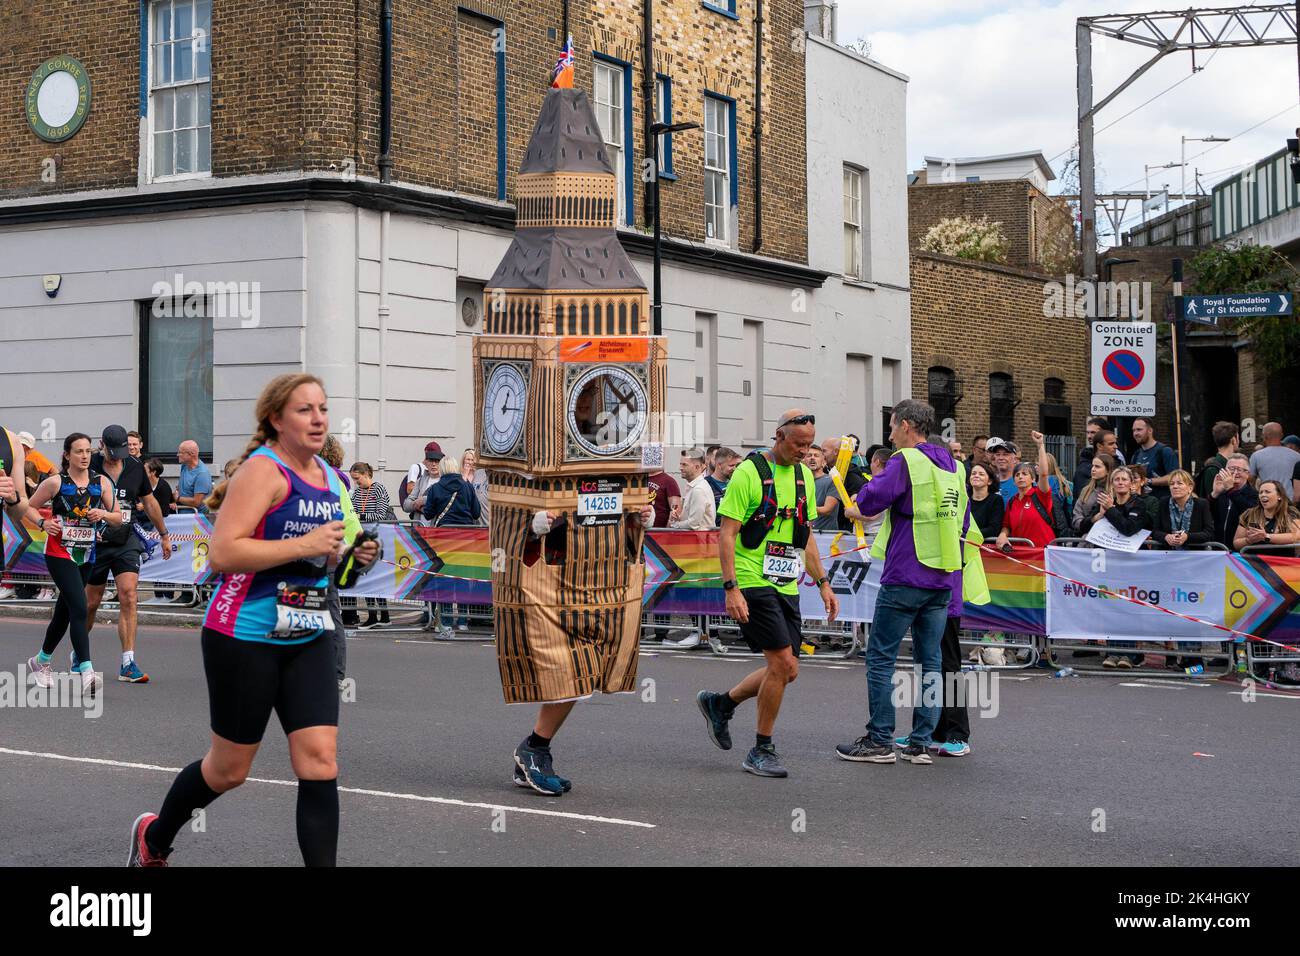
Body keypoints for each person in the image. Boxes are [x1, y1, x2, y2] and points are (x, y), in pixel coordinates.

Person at [127, 373, 378, 867]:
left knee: (320, 760)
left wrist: (352, 556)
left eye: (323, 408)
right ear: (276, 420)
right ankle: (154, 838)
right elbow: (221, 553)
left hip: (307, 632)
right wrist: (307, 545)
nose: (319, 418)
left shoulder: (330, 479)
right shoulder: (262, 473)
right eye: (305, 409)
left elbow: (331, 564)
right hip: (243, 634)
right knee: (228, 769)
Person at [695, 409, 838, 778]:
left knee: (788, 670)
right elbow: (726, 534)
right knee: (782, 664)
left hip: (785, 581)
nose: (805, 452)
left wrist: (823, 583)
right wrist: (732, 589)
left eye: (810, 445)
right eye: (798, 444)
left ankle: (721, 704)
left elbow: (803, 536)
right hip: (751, 578)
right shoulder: (749, 473)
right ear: (778, 436)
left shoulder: (805, 476)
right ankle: (761, 749)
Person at [834, 399, 978, 766]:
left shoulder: (906, 461)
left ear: (908, 426)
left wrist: (853, 508)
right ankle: (920, 741)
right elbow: (961, 522)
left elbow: (869, 500)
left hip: (907, 572)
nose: (889, 433)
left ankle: (879, 740)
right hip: (943, 575)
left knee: (881, 658)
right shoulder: (957, 467)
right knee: (929, 661)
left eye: (893, 425)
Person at [23, 434, 124, 696]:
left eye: (88, 451)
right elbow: (27, 508)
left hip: (86, 554)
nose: (84, 456)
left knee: (65, 611)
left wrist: (103, 514)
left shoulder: (101, 482)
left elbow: (118, 518)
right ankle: (87, 670)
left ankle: (41, 660)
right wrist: (44, 523)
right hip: (58, 553)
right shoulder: (55, 482)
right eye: (78, 451)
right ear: (67, 455)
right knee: (80, 606)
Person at [83, 425, 175, 683]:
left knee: (129, 595)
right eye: (112, 452)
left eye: (121, 451)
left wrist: (164, 535)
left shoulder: (135, 467)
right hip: (96, 542)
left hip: (125, 540)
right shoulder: (90, 465)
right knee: (91, 603)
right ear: (102, 445)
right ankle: (80, 655)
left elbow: (150, 502)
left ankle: (128, 662)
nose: (116, 457)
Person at [1089, 466, 1151, 668]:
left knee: (1128, 608)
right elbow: (1084, 526)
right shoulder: (1104, 502)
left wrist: (1112, 510)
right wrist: (1098, 516)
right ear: (1112, 483)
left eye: (1125, 479)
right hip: (1109, 562)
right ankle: (1113, 652)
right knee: (1111, 607)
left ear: (1132, 484)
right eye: (1117, 479)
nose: (1121, 483)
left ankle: (1129, 653)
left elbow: (1129, 528)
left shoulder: (1138, 504)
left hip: (1130, 563)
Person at [994, 431, 1057, 551]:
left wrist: (1040, 445)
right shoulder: (1013, 501)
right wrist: (1003, 535)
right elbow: (1006, 525)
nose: (1020, 477)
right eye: (1017, 475)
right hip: (1019, 553)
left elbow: (1043, 474)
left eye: (1024, 474)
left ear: (1033, 479)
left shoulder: (1040, 495)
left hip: (1042, 552)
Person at [349, 462, 393, 628]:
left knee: (376, 576)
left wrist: (360, 516)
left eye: (357, 478)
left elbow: (380, 514)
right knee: (368, 576)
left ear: (366, 474)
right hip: (364, 539)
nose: (356, 483)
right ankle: (375, 615)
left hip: (377, 538)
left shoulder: (379, 489)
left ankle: (383, 615)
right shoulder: (357, 492)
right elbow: (352, 511)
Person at [140, 458, 177, 602]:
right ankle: (158, 594)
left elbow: (164, 510)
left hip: (164, 528)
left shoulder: (163, 486)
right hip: (149, 528)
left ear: (153, 472)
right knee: (154, 558)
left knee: (166, 559)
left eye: (145, 469)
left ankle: (167, 594)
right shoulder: (144, 485)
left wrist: (145, 508)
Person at [1233, 480, 1300, 554]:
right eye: (1260, 492)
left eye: (1267, 492)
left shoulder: (1290, 512)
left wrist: (1266, 536)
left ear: (1279, 496)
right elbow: (1236, 543)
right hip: (1254, 562)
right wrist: (1249, 540)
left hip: (1282, 562)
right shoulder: (1250, 513)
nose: (1263, 495)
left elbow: (1296, 536)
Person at [1156, 470, 1213, 550]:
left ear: (1190, 487)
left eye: (1179, 483)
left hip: (1194, 555)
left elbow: (1209, 533)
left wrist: (1187, 537)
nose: (1175, 486)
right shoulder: (1163, 502)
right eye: (1172, 484)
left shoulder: (1201, 504)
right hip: (1168, 554)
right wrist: (1166, 536)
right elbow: (1155, 531)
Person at [1210, 453, 1258, 548]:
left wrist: (1231, 490)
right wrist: (1214, 494)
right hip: (1218, 550)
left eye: (1239, 469)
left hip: (1241, 552)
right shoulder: (1221, 493)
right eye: (1231, 469)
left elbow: (1249, 513)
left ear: (1247, 474)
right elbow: (1207, 516)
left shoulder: (1254, 495)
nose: (1235, 473)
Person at [1130, 417, 1177, 500]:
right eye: (1133, 430)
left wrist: (1149, 481)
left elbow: (1175, 477)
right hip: (1141, 503)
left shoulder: (1165, 451)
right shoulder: (1136, 455)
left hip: (1162, 502)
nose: (1135, 433)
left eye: (1139, 429)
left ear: (1150, 431)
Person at [1072, 452, 1116, 535]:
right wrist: (1083, 525)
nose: (1093, 469)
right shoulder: (1086, 490)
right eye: (1093, 465)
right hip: (1084, 537)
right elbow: (1076, 515)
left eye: (1097, 466)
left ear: (1108, 471)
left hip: (1107, 538)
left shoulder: (1115, 491)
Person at [672, 448, 716, 530]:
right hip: (697, 540)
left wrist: (675, 525)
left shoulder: (699, 489)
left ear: (697, 467)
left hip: (699, 541)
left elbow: (693, 524)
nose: (680, 468)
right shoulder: (696, 486)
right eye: (680, 464)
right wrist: (680, 518)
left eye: (684, 465)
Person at [402, 443, 444, 526]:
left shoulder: (444, 482)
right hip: (419, 529)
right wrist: (418, 504)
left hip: (437, 529)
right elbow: (406, 505)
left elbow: (442, 504)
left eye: (437, 461)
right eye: (431, 460)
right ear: (426, 462)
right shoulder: (420, 480)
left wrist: (424, 500)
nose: (434, 464)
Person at [1196, 421, 1240, 500]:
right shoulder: (1212, 469)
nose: (1239, 441)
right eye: (1238, 438)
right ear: (1233, 440)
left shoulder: (1228, 464)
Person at [1249, 422, 1300, 490]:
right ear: (1282, 435)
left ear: (1264, 436)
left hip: (1268, 498)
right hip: (1290, 499)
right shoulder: (1297, 456)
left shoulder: (1256, 456)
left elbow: (1250, 481)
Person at [1071, 418, 1111, 502]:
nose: (1089, 436)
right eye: (1088, 432)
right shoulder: (1085, 461)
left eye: (1093, 433)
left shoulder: (1117, 457)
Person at [806, 445, 842, 533]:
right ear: (804, 461)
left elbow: (827, 510)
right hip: (805, 534)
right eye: (809, 455)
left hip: (826, 535)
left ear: (824, 462)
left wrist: (801, 508)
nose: (812, 458)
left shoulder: (832, 481)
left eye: (816, 456)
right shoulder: (800, 481)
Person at [967, 462, 1004, 541]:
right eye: (973, 473)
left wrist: (969, 534)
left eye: (981, 474)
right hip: (965, 545)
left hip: (986, 547)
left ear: (989, 481)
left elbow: (994, 529)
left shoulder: (996, 500)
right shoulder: (964, 499)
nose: (976, 476)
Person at [705, 447, 740, 525]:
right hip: (714, 534)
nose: (734, 469)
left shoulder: (736, 483)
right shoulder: (705, 485)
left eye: (736, 465)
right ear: (719, 465)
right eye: (731, 465)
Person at [176, 441, 213, 514]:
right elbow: (181, 489)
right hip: (180, 514)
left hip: (195, 519)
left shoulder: (202, 474)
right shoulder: (184, 466)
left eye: (181, 452)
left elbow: (196, 502)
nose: (177, 455)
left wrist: (177, 498)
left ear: (192, 454)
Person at [986, 437, 1020, 503]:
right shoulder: (989, 482)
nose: (1001, 458)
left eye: (1005, 454)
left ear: (1015, 459)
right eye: (998, 454)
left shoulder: (1022, 481)